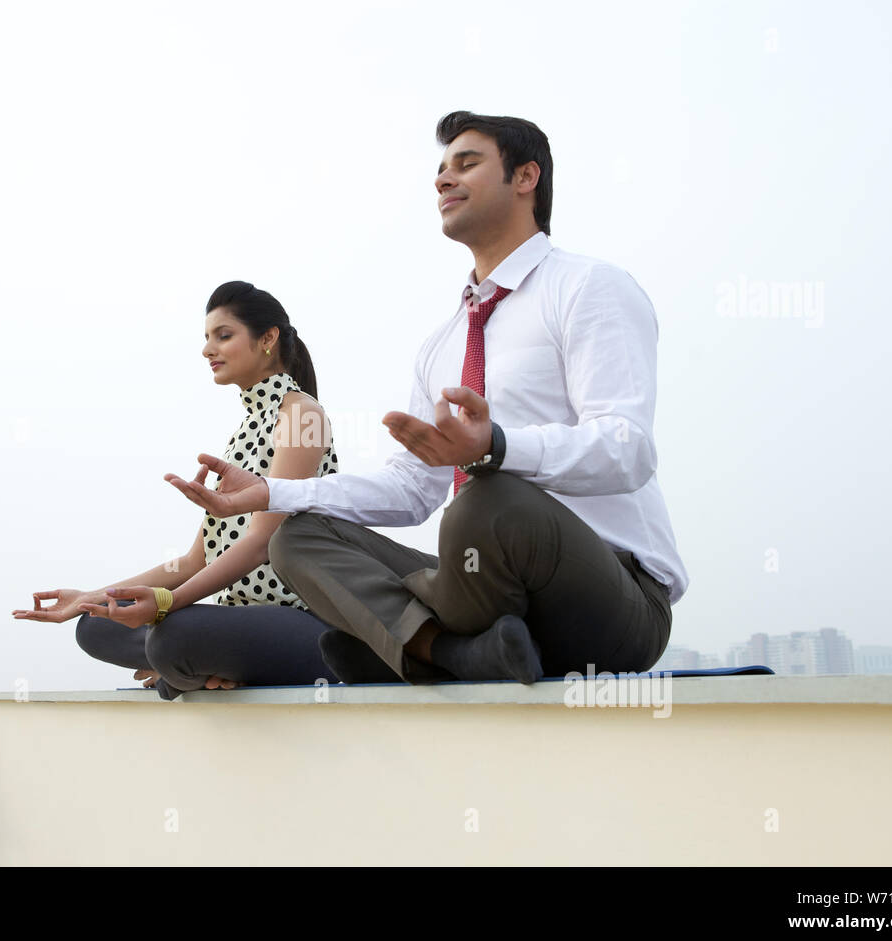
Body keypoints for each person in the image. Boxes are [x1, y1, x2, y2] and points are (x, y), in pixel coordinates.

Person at [164, 111, 688, 686]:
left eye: (466, 164)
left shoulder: (588, 288)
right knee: (299, 536)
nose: (443, 180)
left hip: (611, 600)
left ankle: (399, 643)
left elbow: (628, 448)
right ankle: (448, 653)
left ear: (525, 177)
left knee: (488, 499)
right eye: (440, 169)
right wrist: (273, 490)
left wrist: (496, 446)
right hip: (496, 604)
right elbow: (411, 491)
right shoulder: (442, 345)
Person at [12, 281, 340, 699]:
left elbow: (261, 543)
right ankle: (204, 668)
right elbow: (194, 560)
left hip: (300, 620)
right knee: (97, 624)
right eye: (206, 338)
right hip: (238, 623)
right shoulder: (245, 432)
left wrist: (167, 604)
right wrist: (92, 597)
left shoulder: (301, 415)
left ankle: (188, 668)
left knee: (176, 634)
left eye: (223, 336)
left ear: (268, 339)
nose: (208, 350)